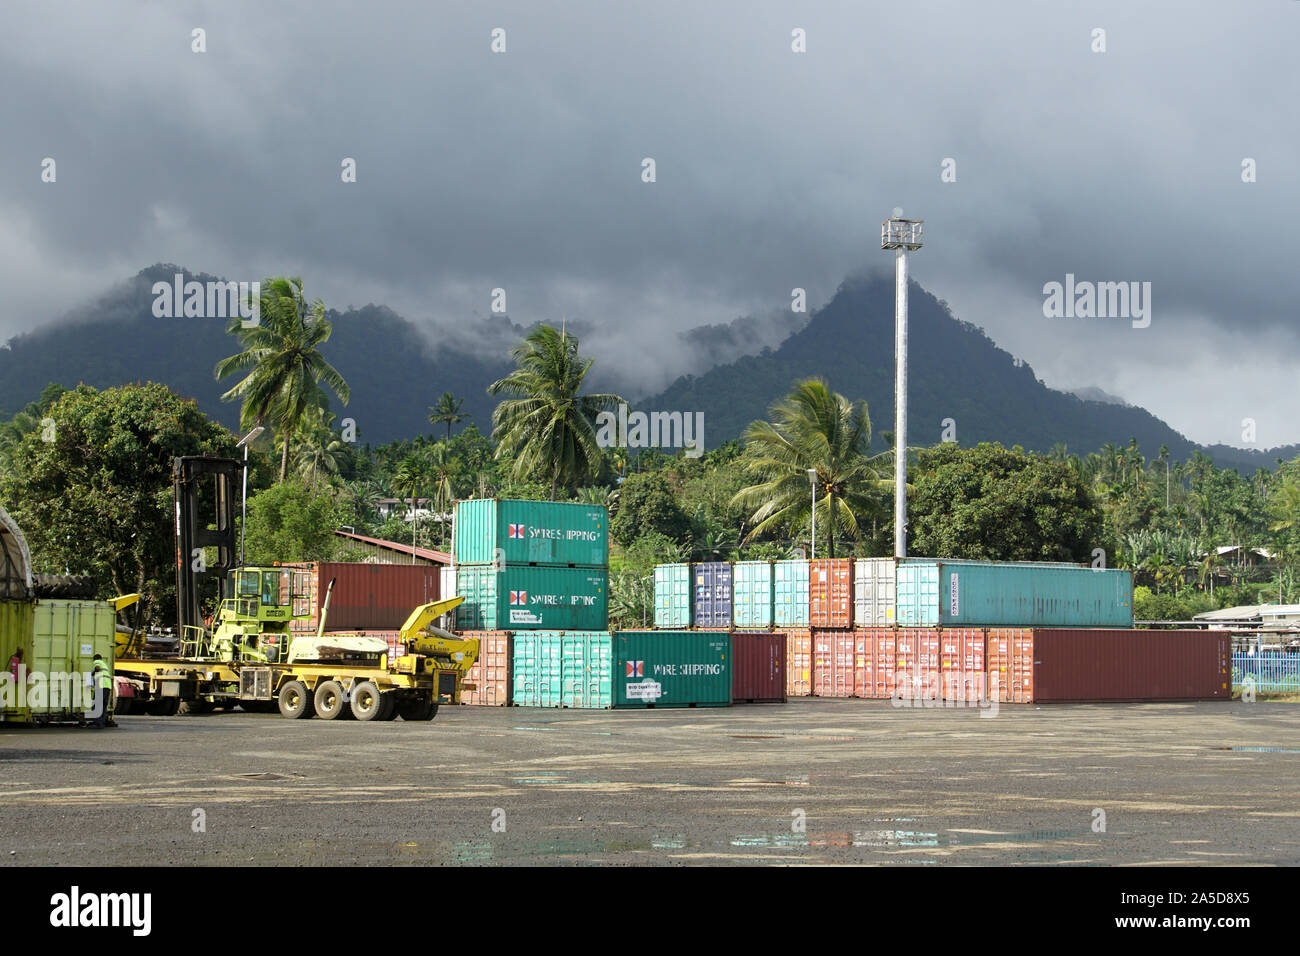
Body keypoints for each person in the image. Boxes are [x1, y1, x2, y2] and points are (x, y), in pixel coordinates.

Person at [89, 654, 115, 728]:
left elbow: (97, 668)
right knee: (103, 706)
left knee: (96, 705)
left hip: (101, 686)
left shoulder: (97, 661)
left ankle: (96, 723)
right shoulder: (105, 665)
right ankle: (101, 724)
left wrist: (92, 673)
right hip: (107, 687)